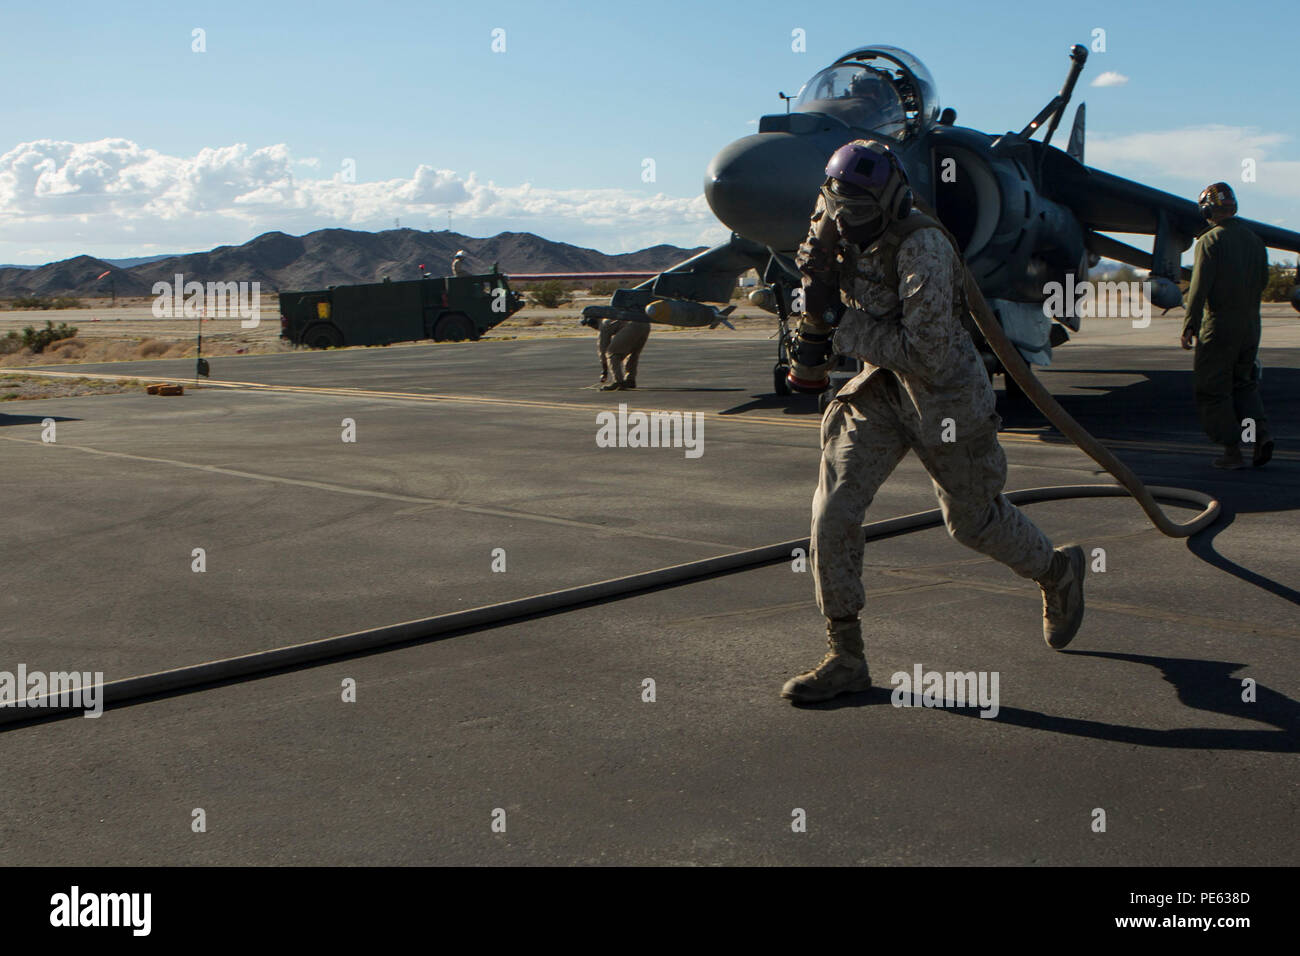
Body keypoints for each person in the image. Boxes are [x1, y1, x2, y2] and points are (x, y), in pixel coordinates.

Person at [780, 138, 1085, 704]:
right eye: (839, 210)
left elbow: (929, 354)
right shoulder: (834, 214)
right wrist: (813, 288)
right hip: (879, 388)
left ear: (891, 202)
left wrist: (836, 322)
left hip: (943, 396)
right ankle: (846, 657)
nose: (848, 224)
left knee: (972, 522)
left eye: (861, 213)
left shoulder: (923, 247)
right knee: (833, 511)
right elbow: (824, 289)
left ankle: (1056, 571)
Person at [1181, 182, 1273, 468]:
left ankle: (1232, 451)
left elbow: (1199, 289)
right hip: (1251, 324)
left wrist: (1190, 324)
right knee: (1244, 384)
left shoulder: (1210, 241)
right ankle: (1261, 436)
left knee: (1212, 388)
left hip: (1220, 325)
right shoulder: (1255, 240)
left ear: (1208, 209)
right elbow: (1264, 282)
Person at [595, 317, 650, 390]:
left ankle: (618, 382)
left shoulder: (604, 324)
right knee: (633, 353)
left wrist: (604, 370)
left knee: (612, 353)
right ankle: (630, 380)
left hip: (632, 326)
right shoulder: (610, 318)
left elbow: (603, 348)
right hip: (644, 324)